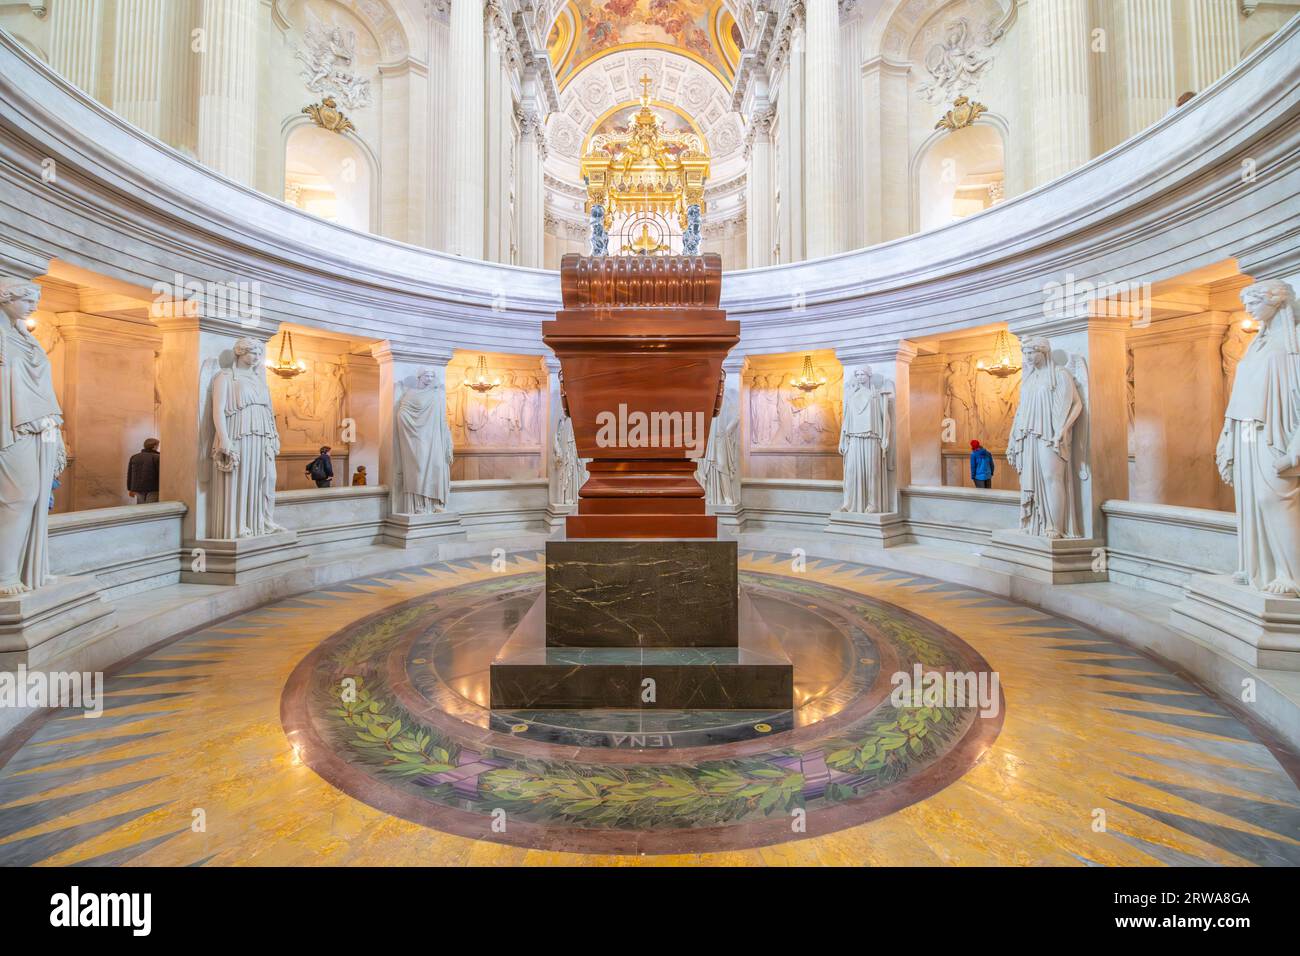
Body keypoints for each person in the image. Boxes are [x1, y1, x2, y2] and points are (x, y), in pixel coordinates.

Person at [127, 438, 161, 503]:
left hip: (137, 488)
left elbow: (130, 474)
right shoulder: (157, 457)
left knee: (141, 508)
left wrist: (130, 489)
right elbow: (160, 474)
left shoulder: (134, 457)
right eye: (157, 445)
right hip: (153, 488)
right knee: (152, 508)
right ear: (154, 446)